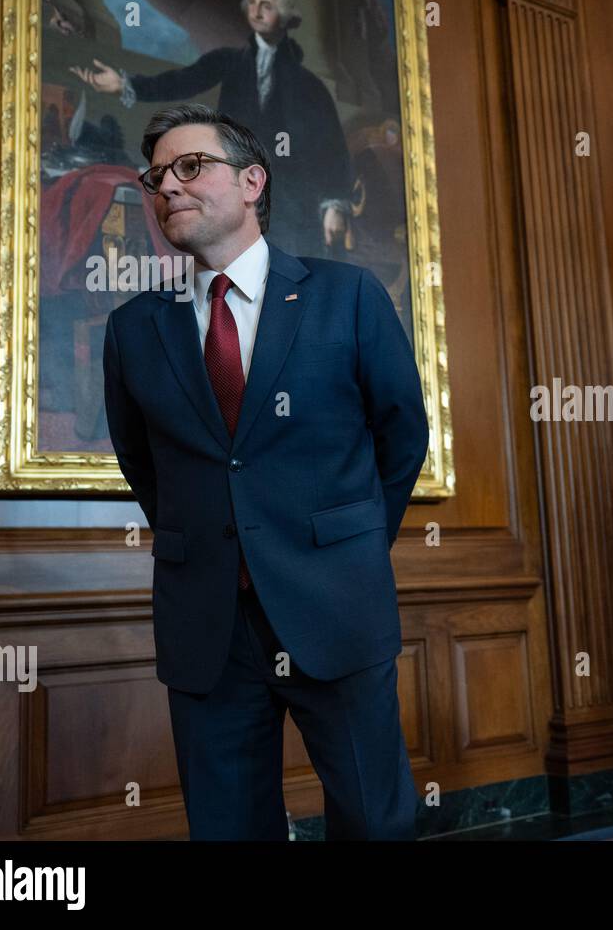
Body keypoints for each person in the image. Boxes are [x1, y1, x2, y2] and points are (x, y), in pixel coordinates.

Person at [102, 102, 428, 840]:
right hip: (207, 625)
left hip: (335, 607)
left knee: (376, 822)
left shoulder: (346, 296)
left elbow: (402, 438)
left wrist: (343, 544)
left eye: (191, 167)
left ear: (252, 181)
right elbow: (145, 467)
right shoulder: (134, 329)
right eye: (156, 177)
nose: (168, 188)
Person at [72, 0, 351, 254]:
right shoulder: (230, 61)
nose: (256, 11)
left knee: (293, 277)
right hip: (237, 194)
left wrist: (335, 205)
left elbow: (331, 147)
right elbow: (181, 81)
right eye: (252, 3)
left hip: (294, 200)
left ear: (286, 17)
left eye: (266, 5)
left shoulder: (309, 85)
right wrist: (125, 84)